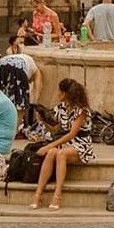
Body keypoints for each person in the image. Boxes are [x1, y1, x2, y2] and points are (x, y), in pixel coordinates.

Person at [32, 77, 93, 210]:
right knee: (51, 153)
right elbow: (56, 129)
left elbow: (72, 133)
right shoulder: (61, 108)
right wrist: (43, 121)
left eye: (59, 91)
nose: (57, 94)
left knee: (60, 154)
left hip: (81, 144)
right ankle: (38, 193)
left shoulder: (82, 110)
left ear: (65, 93)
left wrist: (49, 145)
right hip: (66, 142)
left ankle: (58, 193)